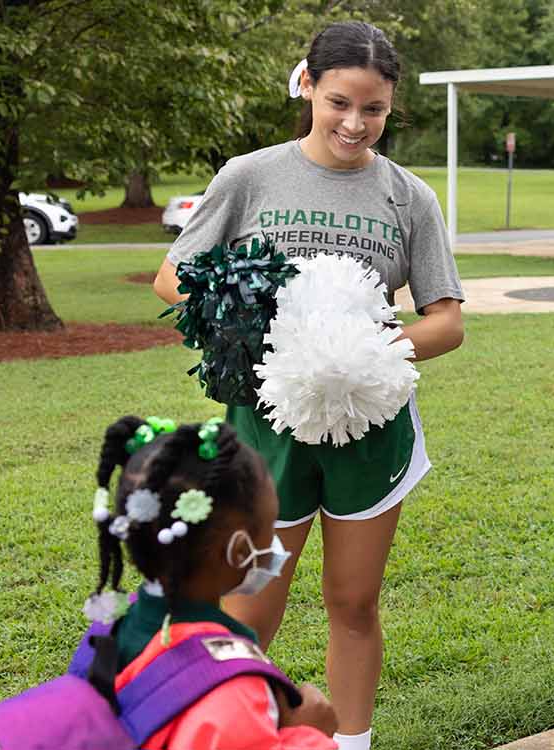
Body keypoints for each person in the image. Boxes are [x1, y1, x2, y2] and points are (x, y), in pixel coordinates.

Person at [151, 21, 466, 750]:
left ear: (392, 107)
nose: (356, 124)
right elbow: (174, 277)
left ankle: (348, 744)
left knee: (353, 602)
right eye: (339, 103)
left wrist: (365, 348)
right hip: (265, 423)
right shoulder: (251, 175)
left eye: (375, 110)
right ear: (309, 90)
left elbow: (446, 322)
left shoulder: (408, 196)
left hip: (367, 423)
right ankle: (239, 736)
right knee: (251, 607)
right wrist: (264, 334)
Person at [90, 416, 338, 748]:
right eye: (269, 524)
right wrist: (309, 734)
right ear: (238, 550)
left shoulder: (107, 634)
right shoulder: (231, 690)